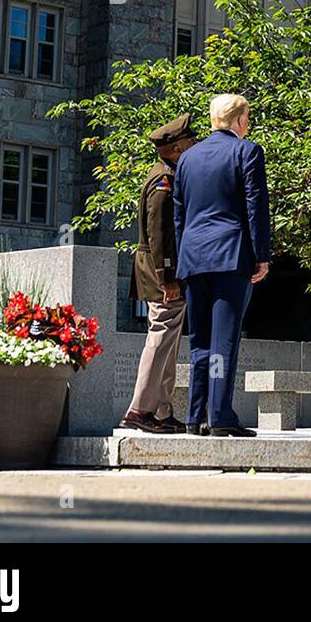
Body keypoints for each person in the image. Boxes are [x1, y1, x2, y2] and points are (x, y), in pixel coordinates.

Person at [174, 94, 271, 437]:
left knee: (199, 340)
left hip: (193, 258)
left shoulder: (187, 159)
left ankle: (194, 416)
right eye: (248, 118)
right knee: (223, 340)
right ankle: (219, 416)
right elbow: (255, 206)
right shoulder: (247, 151)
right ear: (240, 121)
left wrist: (181, 258)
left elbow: (179, 216)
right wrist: (262, 255)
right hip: (231, 256)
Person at [119, 113, 197, 434]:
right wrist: (168, 279)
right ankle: (140, 409)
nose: (195, 144)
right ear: (177, 149)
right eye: (190, 140)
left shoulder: (169, 174)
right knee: (161, 335)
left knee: (169, 340)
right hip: (162, 272)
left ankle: (162, 411)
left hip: (165, 272)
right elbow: (160, 234)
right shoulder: (164, 181)